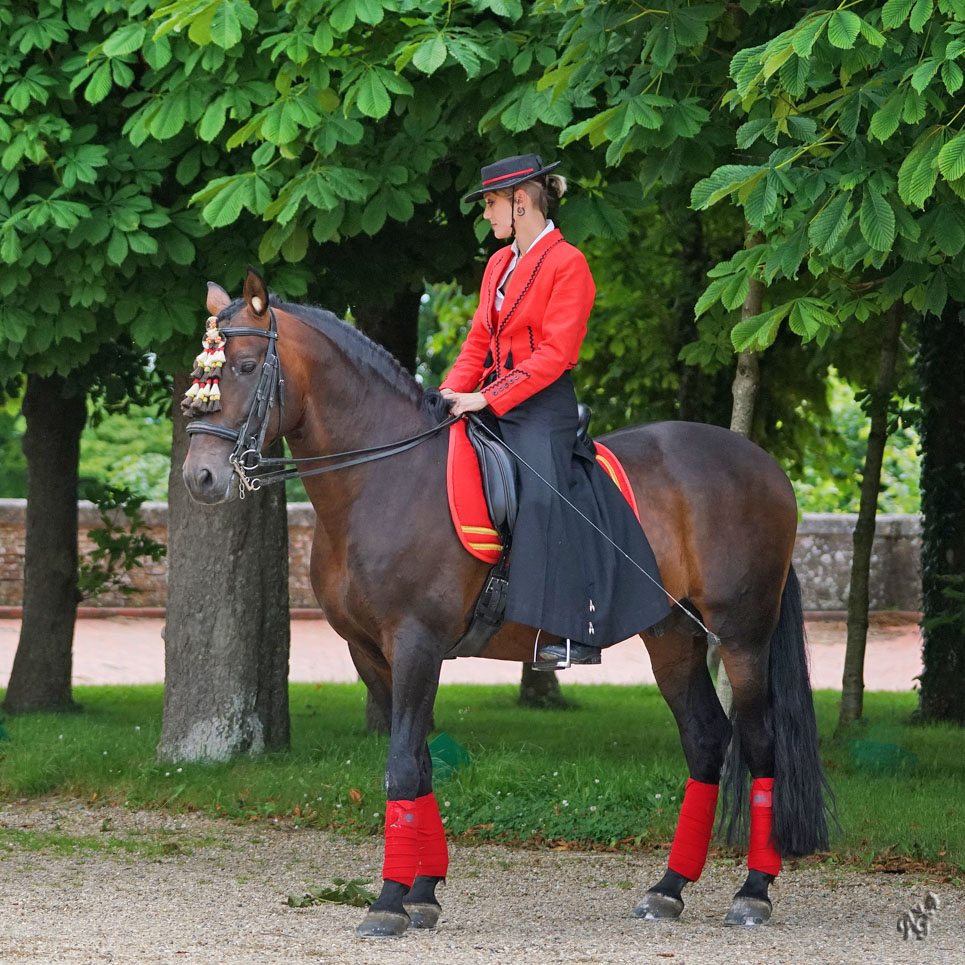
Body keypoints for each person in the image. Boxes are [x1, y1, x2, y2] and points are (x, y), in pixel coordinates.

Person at [440, 153, 670, 668]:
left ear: (520, 202)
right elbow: (478, 341)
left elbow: (554, 354)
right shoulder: (498, 264)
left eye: (491, 205)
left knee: (541, 497)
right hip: (491, 396)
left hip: (542, 405)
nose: (486, 215)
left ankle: (573, 629)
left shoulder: (569, 264)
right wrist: (448, 396)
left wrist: (487, 397)